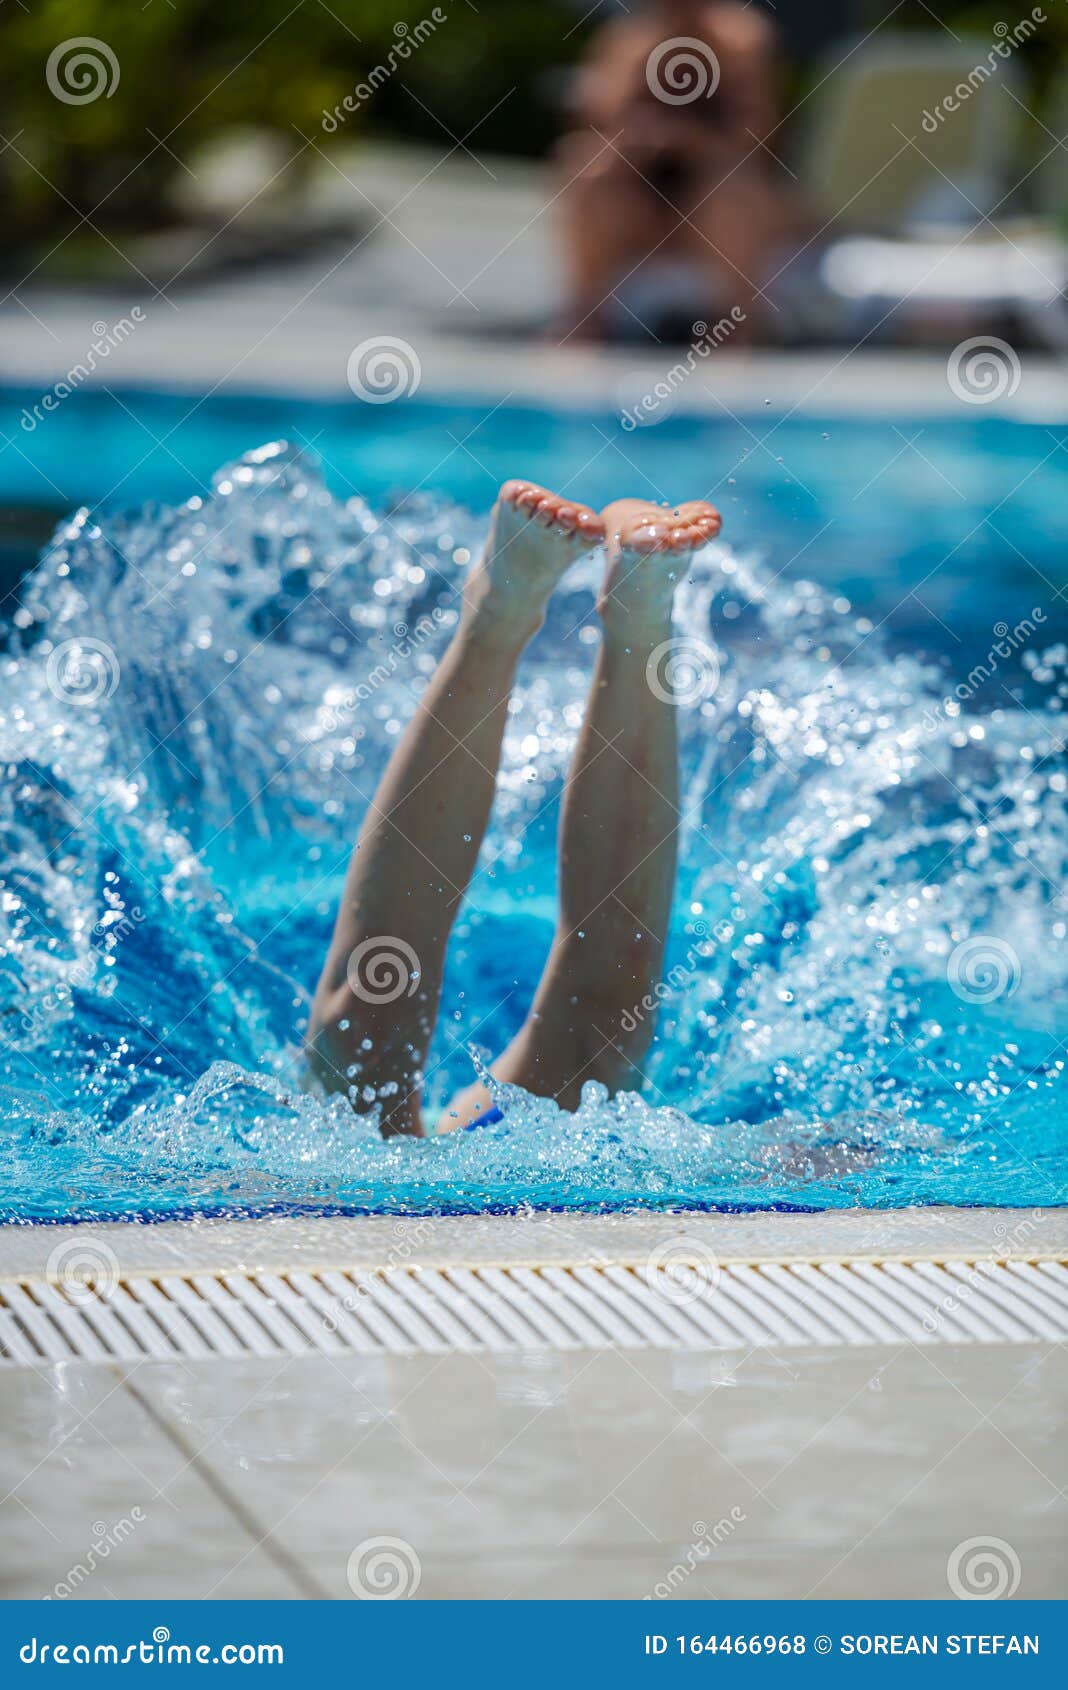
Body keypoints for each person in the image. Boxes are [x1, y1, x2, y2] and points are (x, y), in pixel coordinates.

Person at [306, 483, 721, 1136]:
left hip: (463, 1147)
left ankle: (635, 610)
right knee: (374, 1019)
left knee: (366, 1056)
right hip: (472, 1148)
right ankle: (506, 607)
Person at [555, 0, 796, 341]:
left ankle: (736, 324)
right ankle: (586, 314)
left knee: (732, 189)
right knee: (588, 166)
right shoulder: (630, 40)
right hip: (642, 190)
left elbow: (759, 135)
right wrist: (644, 135)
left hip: (716, 190)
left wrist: (693, 142)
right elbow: (599, 117)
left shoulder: (741, 38)